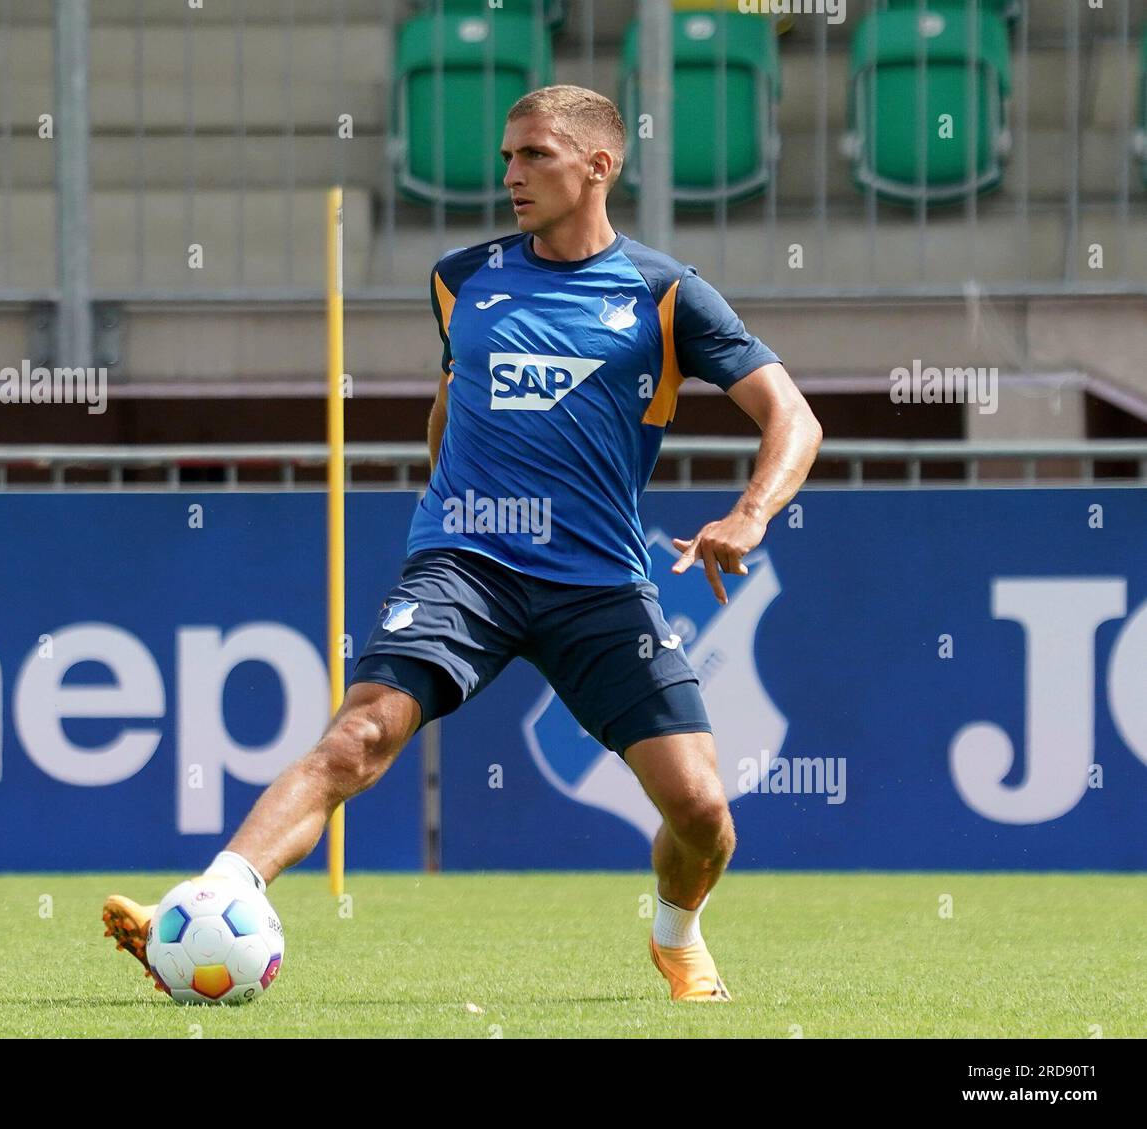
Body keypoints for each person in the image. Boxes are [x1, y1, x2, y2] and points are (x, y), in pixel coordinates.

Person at [104, 84, 822, 1003]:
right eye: (507, 158)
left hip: (598, 583)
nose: (512, 175)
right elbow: (451, 406)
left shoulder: (667, 295)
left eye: (535, 156)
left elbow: (791, 418)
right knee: (358, 735)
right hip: (466, 564)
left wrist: (749, 515)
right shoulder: (461, 276)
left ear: (600, 164)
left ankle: (676, 932)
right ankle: (215, 897)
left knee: (702, 811)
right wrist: (455, 507)